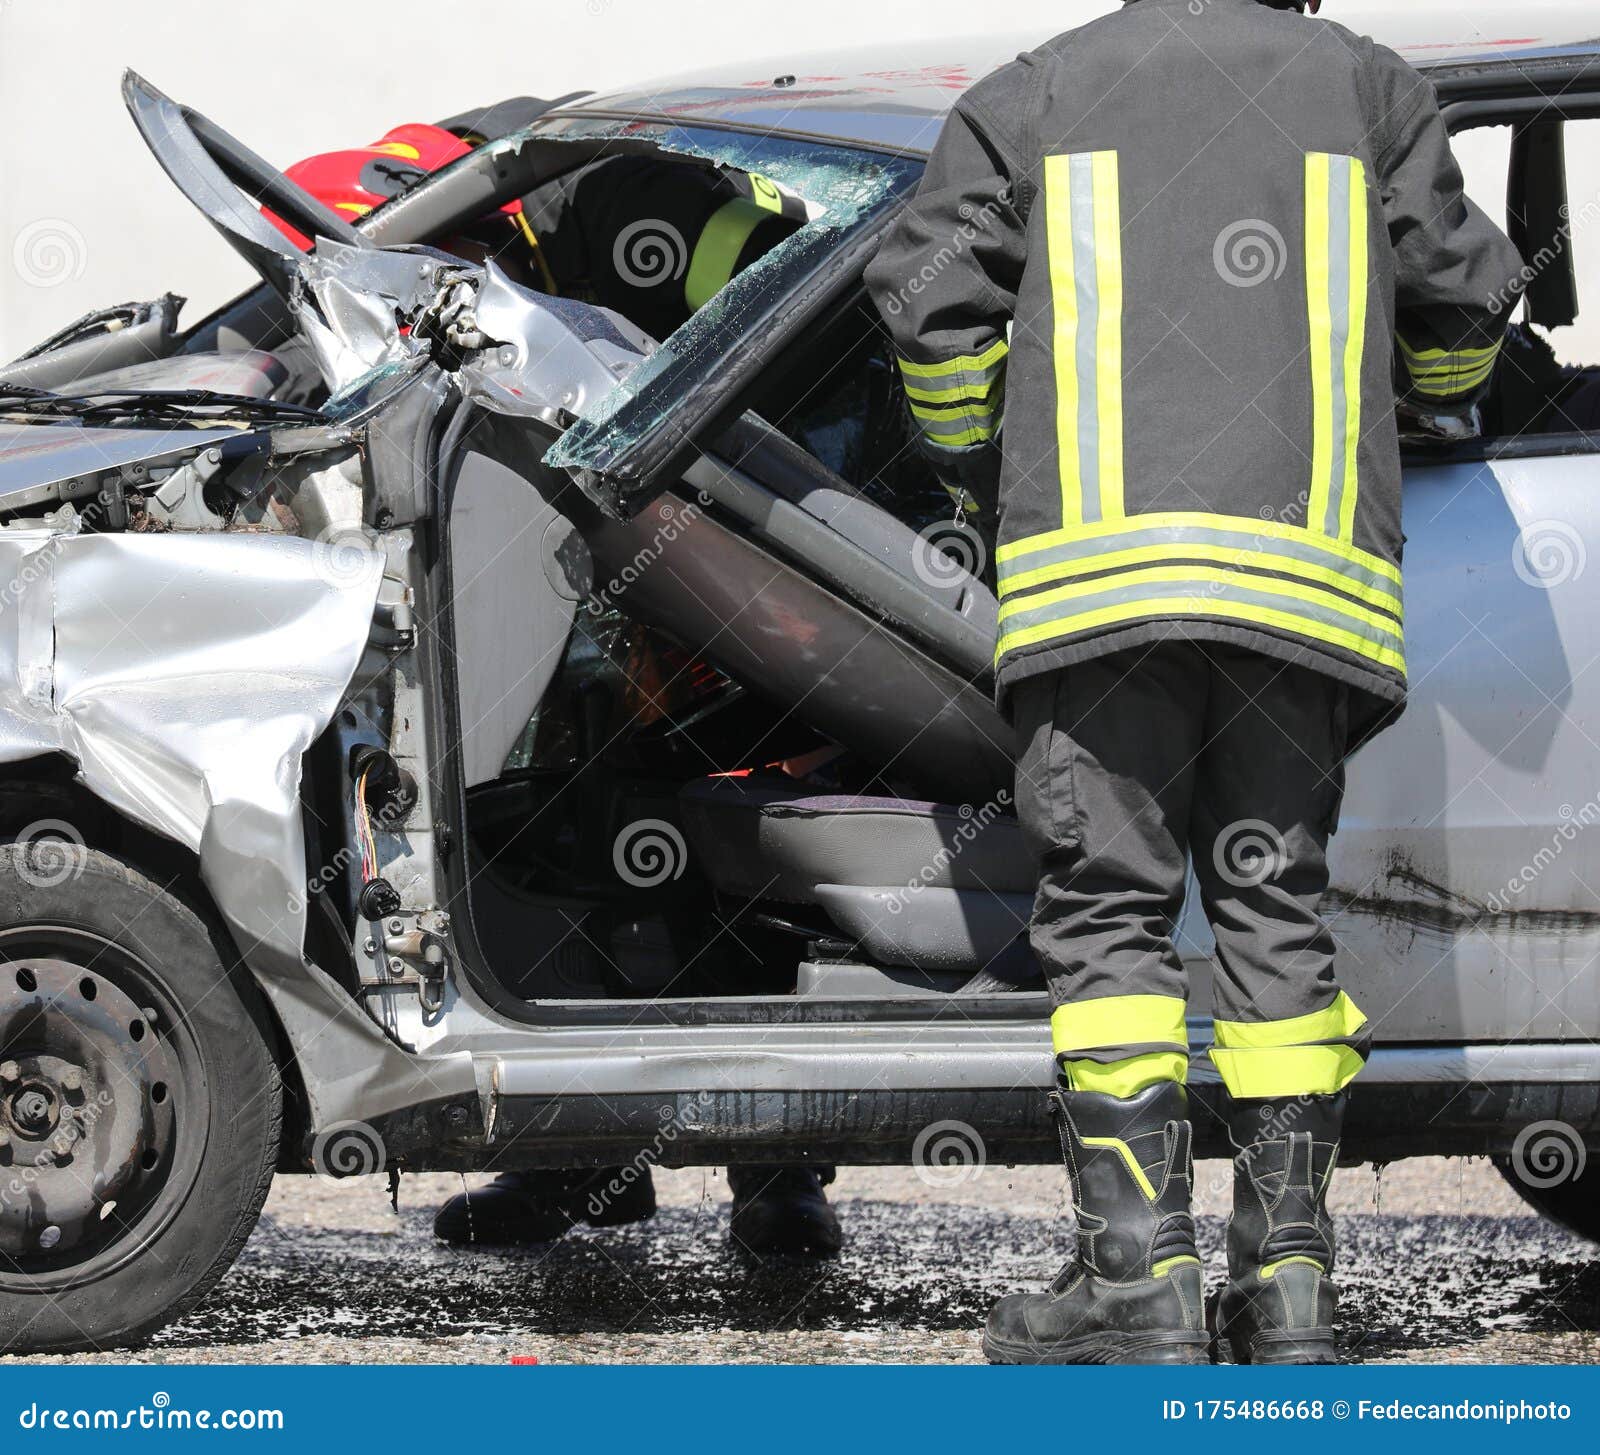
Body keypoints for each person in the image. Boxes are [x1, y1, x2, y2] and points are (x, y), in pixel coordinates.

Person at [866, 0, 1522, 1364]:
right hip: (1304, 590)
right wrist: (1422, 403)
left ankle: (1136, 1285)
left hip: (1100, 593)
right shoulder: (1369, 88)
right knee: (1272, 910)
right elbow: (1465, 303)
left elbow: (931, 305)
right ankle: (1285, 1287)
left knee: (1107, 919)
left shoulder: (1035, 92)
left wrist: (980, 468)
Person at [264, 117, 832, 1260]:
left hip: (764, 564)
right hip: (615, 583)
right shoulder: (531, 249)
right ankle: (580, 1166)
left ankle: (779, 1175)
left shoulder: (637, 217)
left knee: (725, 842)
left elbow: (806, 346)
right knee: (544, 837)